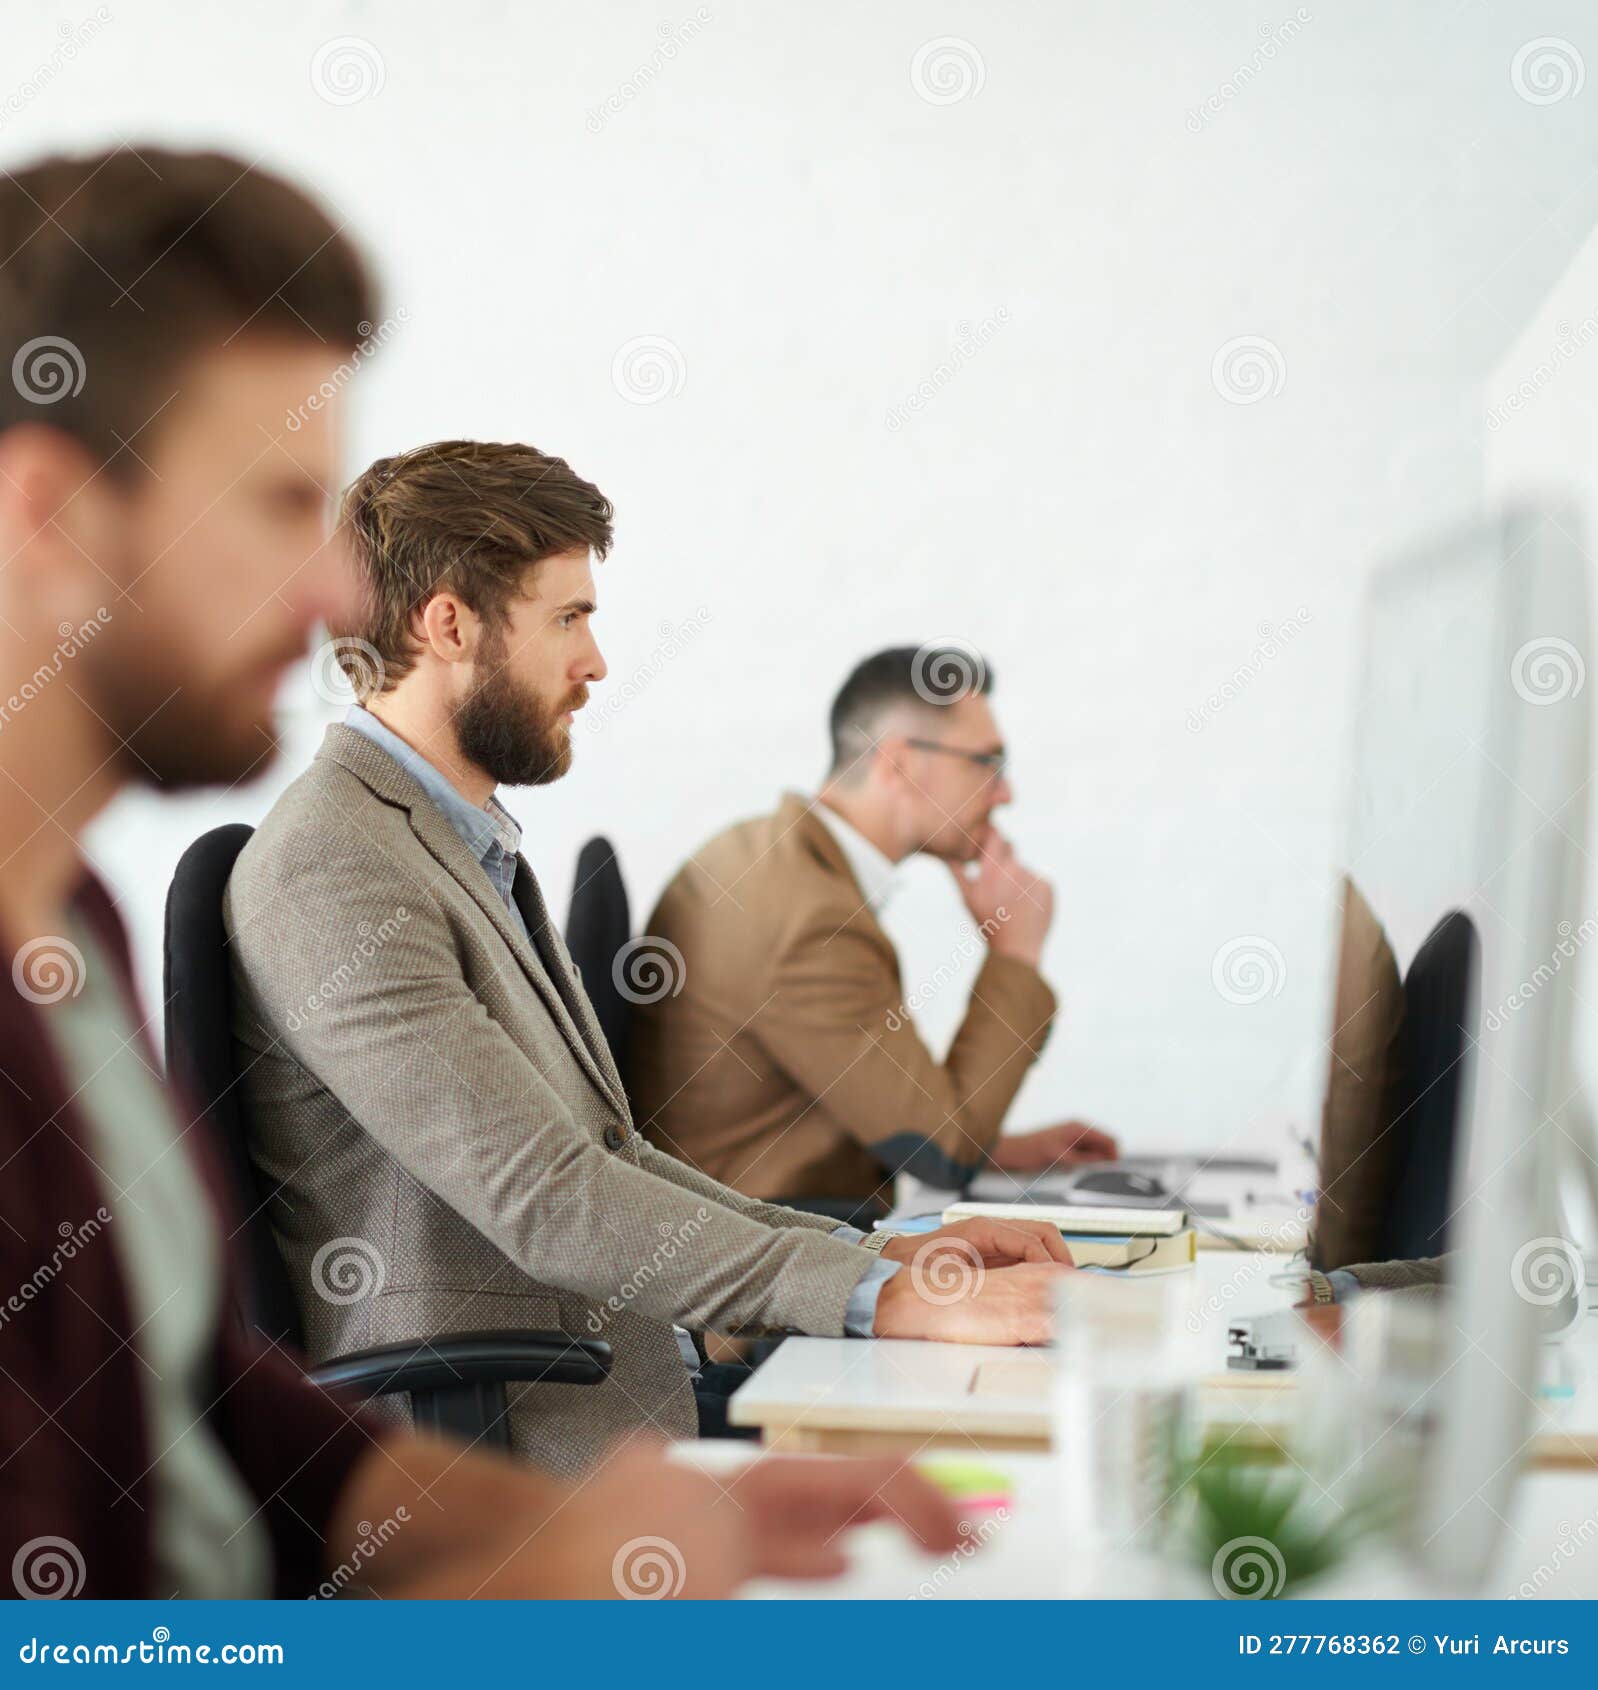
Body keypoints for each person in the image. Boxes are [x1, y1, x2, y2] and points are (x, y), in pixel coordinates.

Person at [0, 143, 965, 1599]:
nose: (336, 594)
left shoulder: (73, 926)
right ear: (55, 517)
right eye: (276, 506)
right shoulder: (316, 868)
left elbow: (208, 1404)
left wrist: (567, 1534)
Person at [225, 441, 1076, 1477]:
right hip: (506, 1457)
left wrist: (877, 1260)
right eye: (567, 619)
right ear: (447, 623)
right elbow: (546, 1197)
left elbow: (607, 1155)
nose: (595, 663)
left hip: (606, 1385)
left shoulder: (452, 839)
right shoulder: (335, 866)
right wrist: (885, 1297)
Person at [630, 646, 1117, 1225]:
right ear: (902, 766)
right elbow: (944, 1152)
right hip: (760, 1268)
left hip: (760, 1225)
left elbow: (875, 1113)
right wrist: (1016, 954)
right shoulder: (811, 921)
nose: (1004, 793)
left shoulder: (771, 857)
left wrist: (1000, 1150)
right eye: (987, 763)